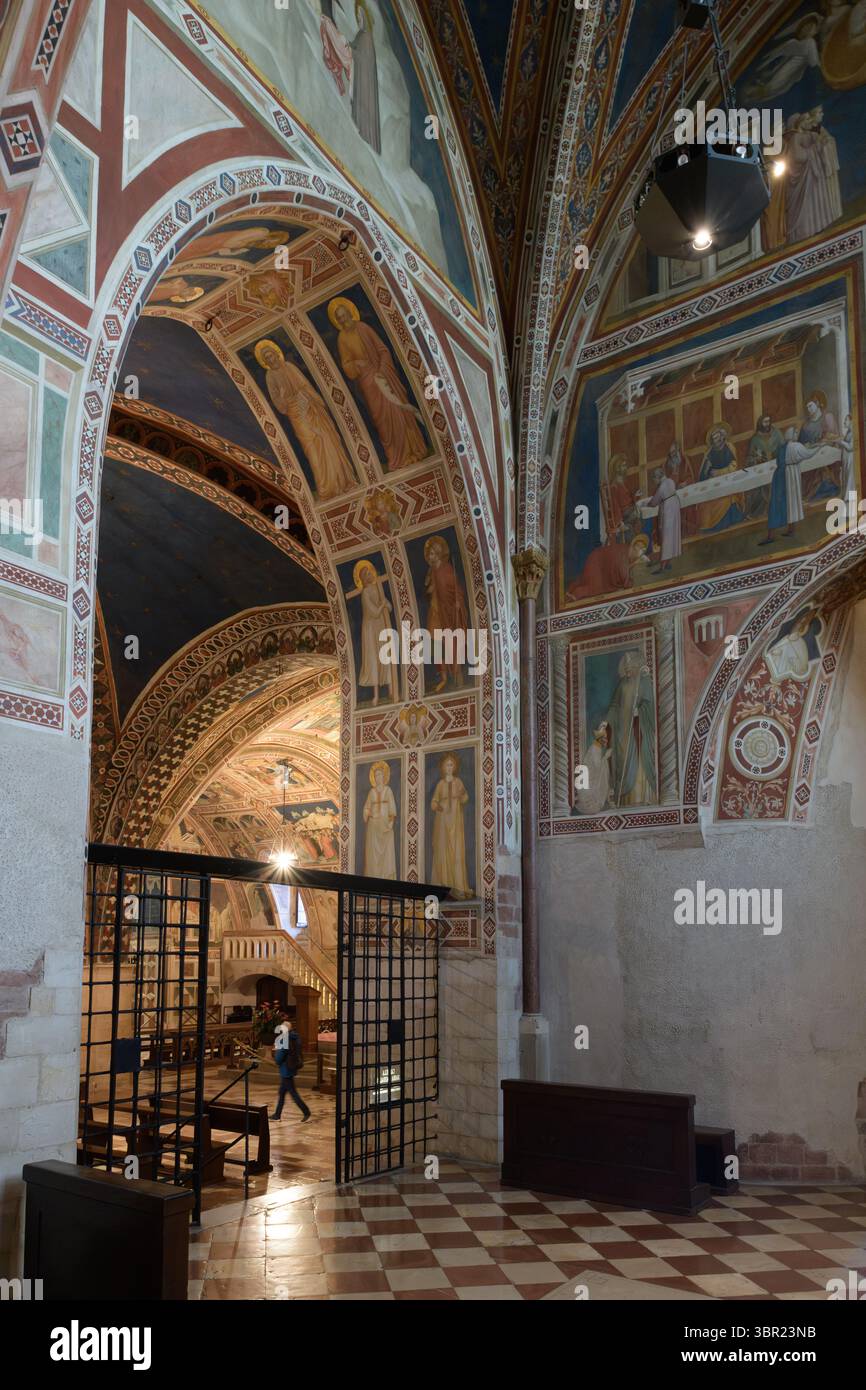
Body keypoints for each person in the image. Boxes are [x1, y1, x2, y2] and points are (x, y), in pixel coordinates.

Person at [272, 1012, 311, 1122]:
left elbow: (280, 1055)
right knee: (282, 1092)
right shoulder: (295, 1037)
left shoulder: (285, 1038)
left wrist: (276, 1059)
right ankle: (277, 1114)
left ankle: (306, 1111)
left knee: (293, 1093)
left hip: (286, 1068)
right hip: (292, 1066)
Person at [648, 458, 682, 573]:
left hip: (668, 509)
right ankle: (667, 562)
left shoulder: (662, 487)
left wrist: (647, 504)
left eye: (654, 479)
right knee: (672, 535)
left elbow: (654, 502)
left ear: (658, 477)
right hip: (674, 505)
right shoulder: (670, 481)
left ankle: (662, 566)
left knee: (666, 537)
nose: (654, 482)